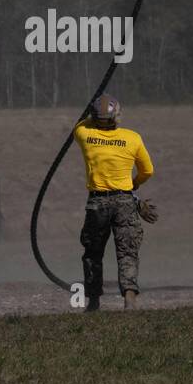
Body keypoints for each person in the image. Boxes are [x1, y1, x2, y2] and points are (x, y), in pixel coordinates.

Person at [72, 93, 154, 311]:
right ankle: (129, 297)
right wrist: (134, 184)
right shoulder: (133, 138)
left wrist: (94, 113)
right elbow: (148, 171)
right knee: (127, 251)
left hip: (97, 204)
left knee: (93, 252)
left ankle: (93, 302)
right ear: (117, 117)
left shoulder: (84, 134)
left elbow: (81, 123)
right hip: (125, 202)